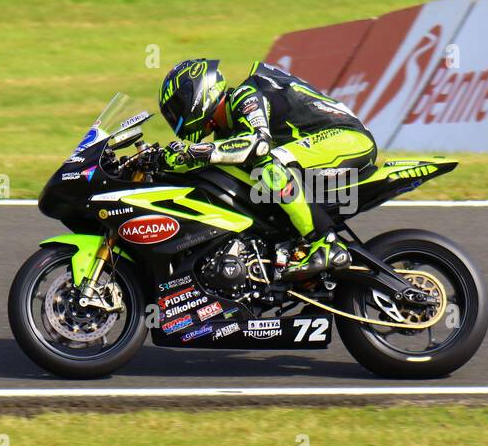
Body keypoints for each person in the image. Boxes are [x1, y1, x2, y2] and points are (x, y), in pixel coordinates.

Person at [157, 58, 377, 280]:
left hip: (348, 140)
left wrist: (194, 152)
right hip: (317, 151)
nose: (176, 118)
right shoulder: (226, 133)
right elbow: (224, 152)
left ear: (198, 93)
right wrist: (167, 160)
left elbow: (258, 144)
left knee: (269, 165)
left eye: (176, 108)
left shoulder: (247, 94)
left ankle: (325, 243)